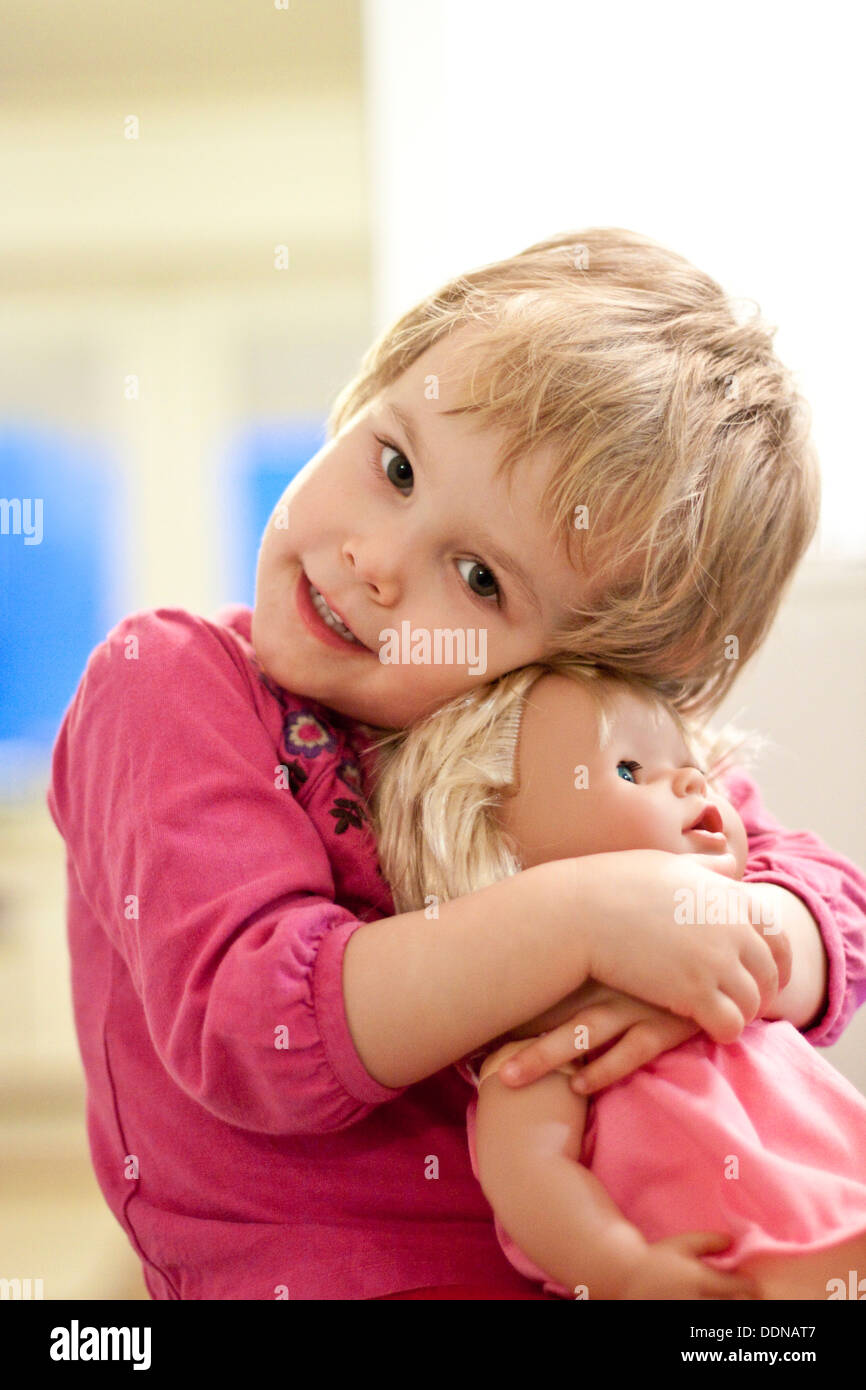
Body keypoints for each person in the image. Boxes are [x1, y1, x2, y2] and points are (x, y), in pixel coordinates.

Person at [46, 228, 866, 1300]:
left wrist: (722, 941)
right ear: (366, 389)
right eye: (394, 467)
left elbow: (827, 904)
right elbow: (255, 1022)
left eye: (478, 578)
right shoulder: (171, 681)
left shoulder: (556, 741)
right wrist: (589, 920)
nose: (375, 562)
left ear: (586, 668)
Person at [370, 659, 866, 1299]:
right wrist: (622, 1270)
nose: (692, 781)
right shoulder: (546, 1048)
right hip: (738, 1282)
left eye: (696, 767)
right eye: (630, 770)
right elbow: (531, 1179)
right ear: (502, 855)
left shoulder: (737, 950)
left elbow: (841, 913)